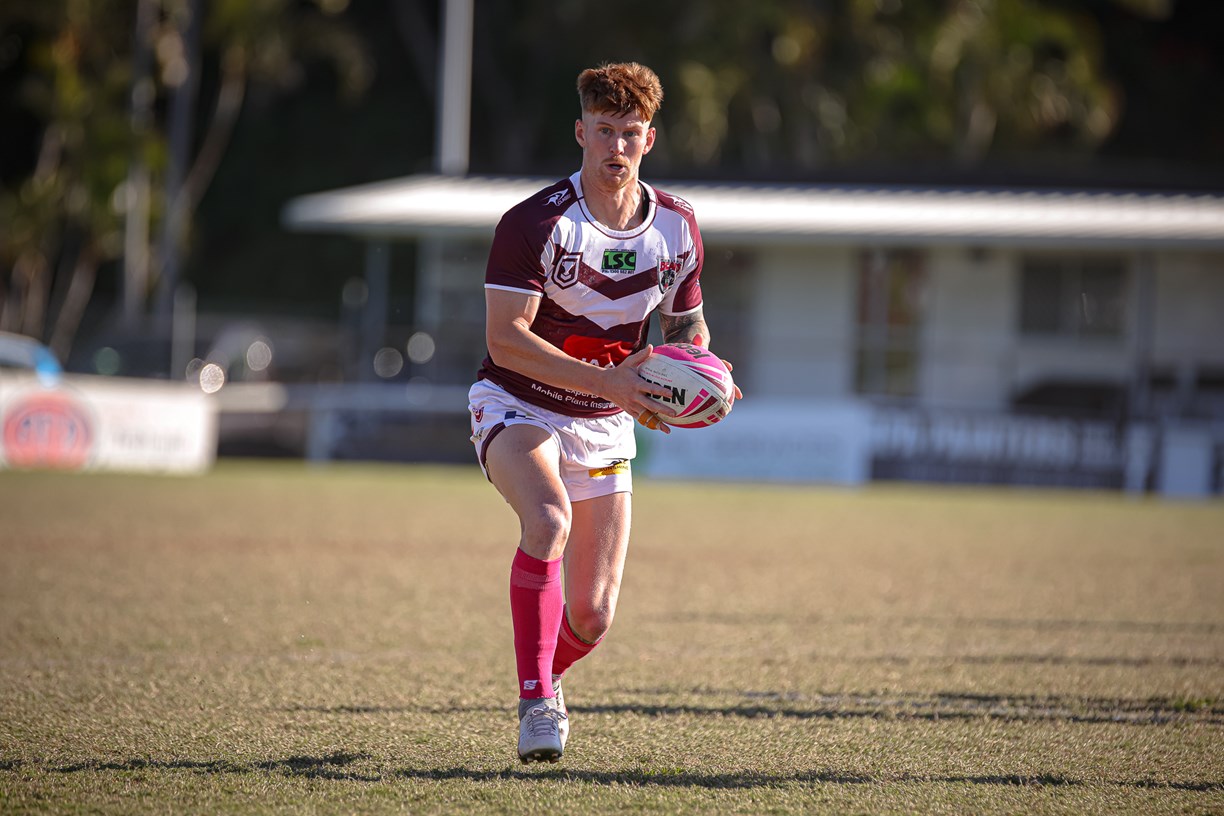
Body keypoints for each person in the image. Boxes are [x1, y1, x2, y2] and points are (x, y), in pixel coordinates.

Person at [467, 61, 741, 764]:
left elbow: (686, 326)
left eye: (630, 132)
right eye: (604, 130)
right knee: (548, 520)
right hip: (517, 401)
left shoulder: (677, 226)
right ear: (580, 133)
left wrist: (702, 372)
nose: (616, 146)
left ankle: (546, 673)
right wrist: (612, 383)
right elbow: (505, 339)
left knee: (592, 615)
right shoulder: (535, 222)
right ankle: (535, 702)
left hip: (605, 419)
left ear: (650, 139)